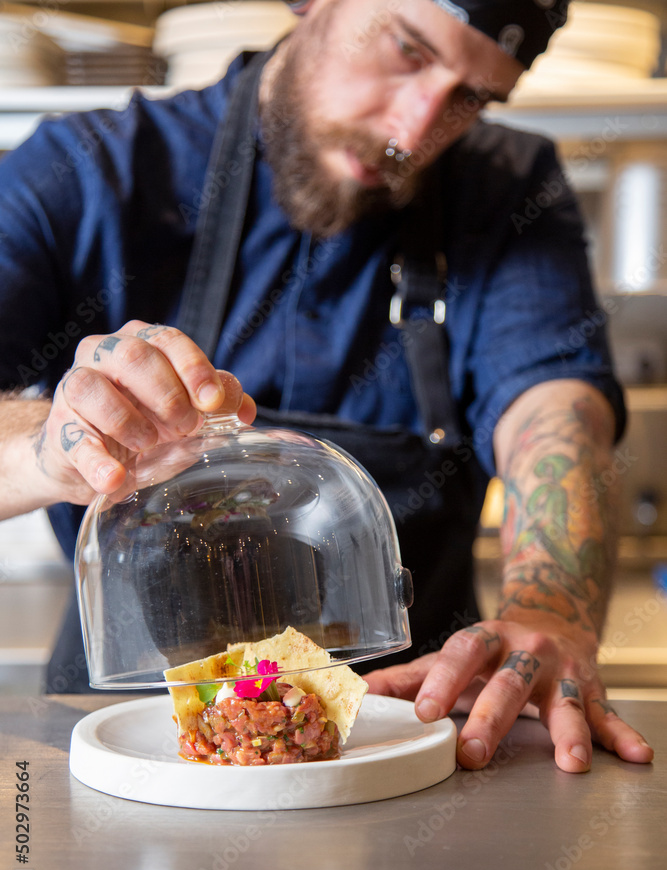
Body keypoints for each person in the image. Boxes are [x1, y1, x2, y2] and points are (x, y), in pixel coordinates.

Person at [0, 0, 654, 772]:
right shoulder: (85, 172)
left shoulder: (508, 191)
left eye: (471, 97)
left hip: (417, 749)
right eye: (407, 50)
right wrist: (50, 449)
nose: (411, 133)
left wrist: (552, 611)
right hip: (121, 758)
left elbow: (555, 414)